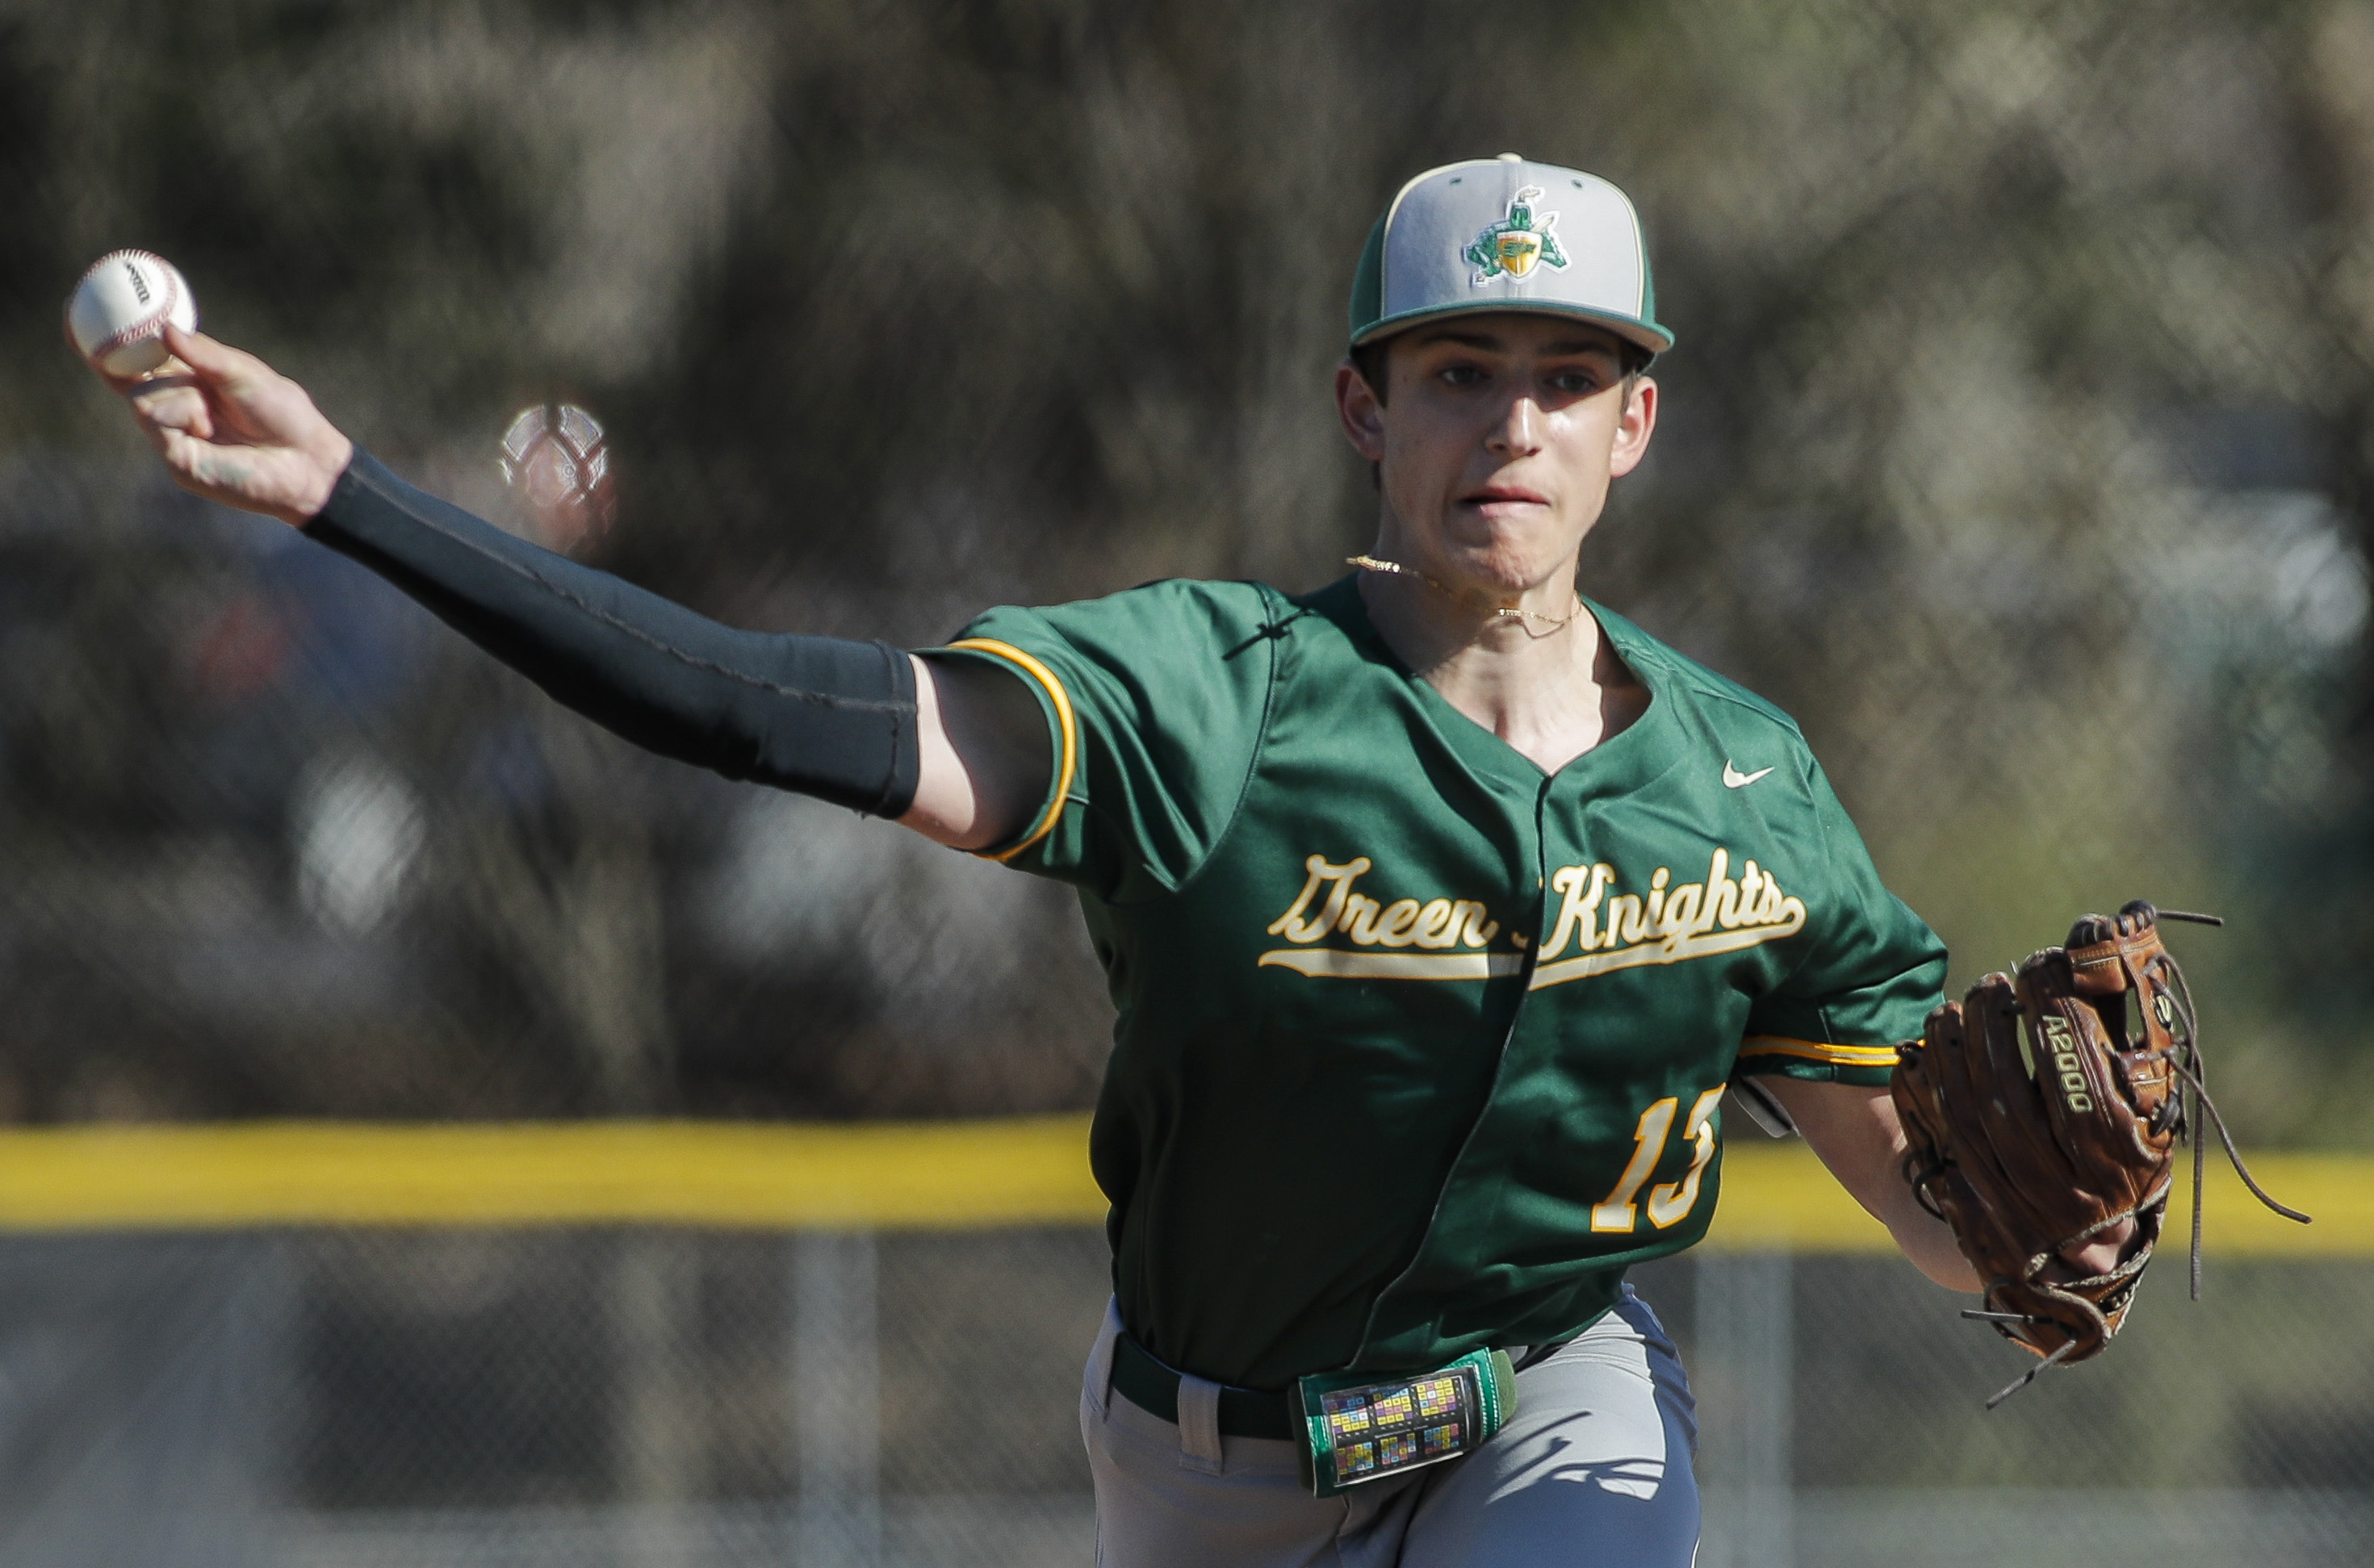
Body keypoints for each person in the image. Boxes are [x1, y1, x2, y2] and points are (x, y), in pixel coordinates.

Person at [106, 154, 2127, 1566]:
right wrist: (355, 500)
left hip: (1546, 1402)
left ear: (1636, 424)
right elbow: (738, 706)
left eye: (1566, 375)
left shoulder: (1748, 793)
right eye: (1456, 370)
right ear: (1365, 404)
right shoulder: (1203, 702)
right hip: (1209, 1470)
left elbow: (1924, 1202)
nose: (1510, 422)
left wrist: (2035, 1255)